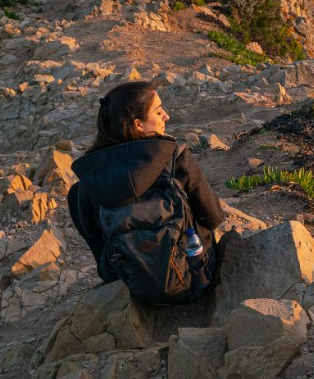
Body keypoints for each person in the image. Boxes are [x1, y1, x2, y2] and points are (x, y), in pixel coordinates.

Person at [67, 81, 226, 302]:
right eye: (159, 111)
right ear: (138, 124)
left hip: (132, 287)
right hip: (195, 278)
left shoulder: (91, 177)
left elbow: (95, 238)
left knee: (76, 195)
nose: (166, 116)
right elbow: (213, 217)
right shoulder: (174, 155)